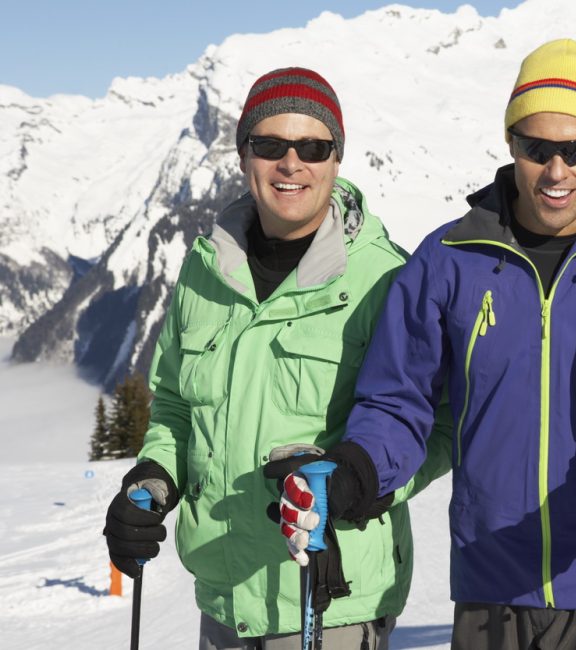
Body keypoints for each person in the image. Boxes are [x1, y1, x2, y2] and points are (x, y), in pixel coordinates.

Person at [279, 40, 576, 649]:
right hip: (491, 582)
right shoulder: (451, 260)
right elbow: (397, 401)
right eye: (538, 148)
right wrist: (356, 472)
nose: (557, 172)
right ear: (511, 145)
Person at [102, 66, 450, 649]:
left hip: (327, 599)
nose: (292, 163)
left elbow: (435, 423)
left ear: (336, 159)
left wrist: (359, 482)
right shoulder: (205, 268)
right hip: (225, 594)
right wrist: (155, 479)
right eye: (270, 145)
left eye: (312, 146)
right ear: (244, 156)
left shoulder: (388, 279)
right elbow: (175, 403)